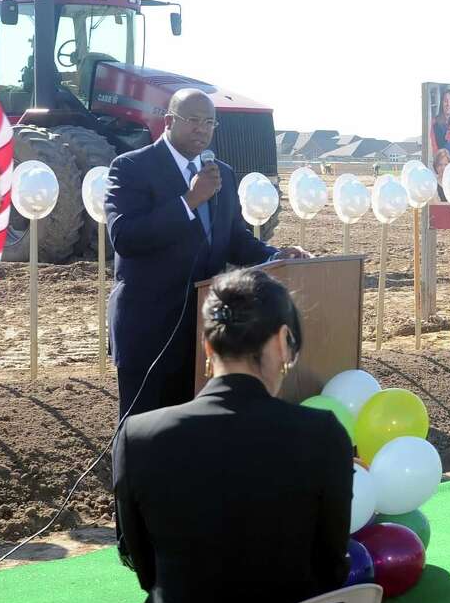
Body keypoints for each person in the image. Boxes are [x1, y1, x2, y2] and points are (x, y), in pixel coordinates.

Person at [107, 268, 353, 603]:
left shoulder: (138, 436)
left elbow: (146, 568)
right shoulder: (323, 434)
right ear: (281, 341)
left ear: (208, 347)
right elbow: (331, 567)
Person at [105, 88, 306, 419]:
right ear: (169, 121)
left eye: (209, 123)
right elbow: (126, 237)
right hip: (149, 329)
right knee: (142, 432)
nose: (202, 129)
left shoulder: (221, 173)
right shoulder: (131, 168)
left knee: (192, 433)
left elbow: (233, 239)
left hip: (203, 330)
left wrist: (274, 256)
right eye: (193, 121)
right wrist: (188, 201)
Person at [431, 88, 450, 154]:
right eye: (446, 101)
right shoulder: (435, 122)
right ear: (441, 103)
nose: (448, 104)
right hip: (441, 159)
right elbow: (434, 147)